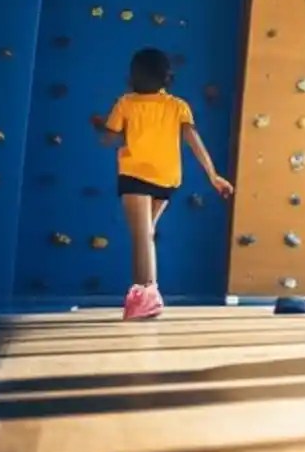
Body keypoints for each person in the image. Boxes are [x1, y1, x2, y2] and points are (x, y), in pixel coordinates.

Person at [95, 47, 234, 320]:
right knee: (146, 236)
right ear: (165, 77)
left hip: (135, 175)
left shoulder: (126, 103)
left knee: (140, 238)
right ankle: (148, 294)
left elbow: (109, 139)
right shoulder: (177, 105)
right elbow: (195, 141)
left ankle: (145, 296)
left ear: (134, 75)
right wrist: (213, 174)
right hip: (167, 179)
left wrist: (101, 126)